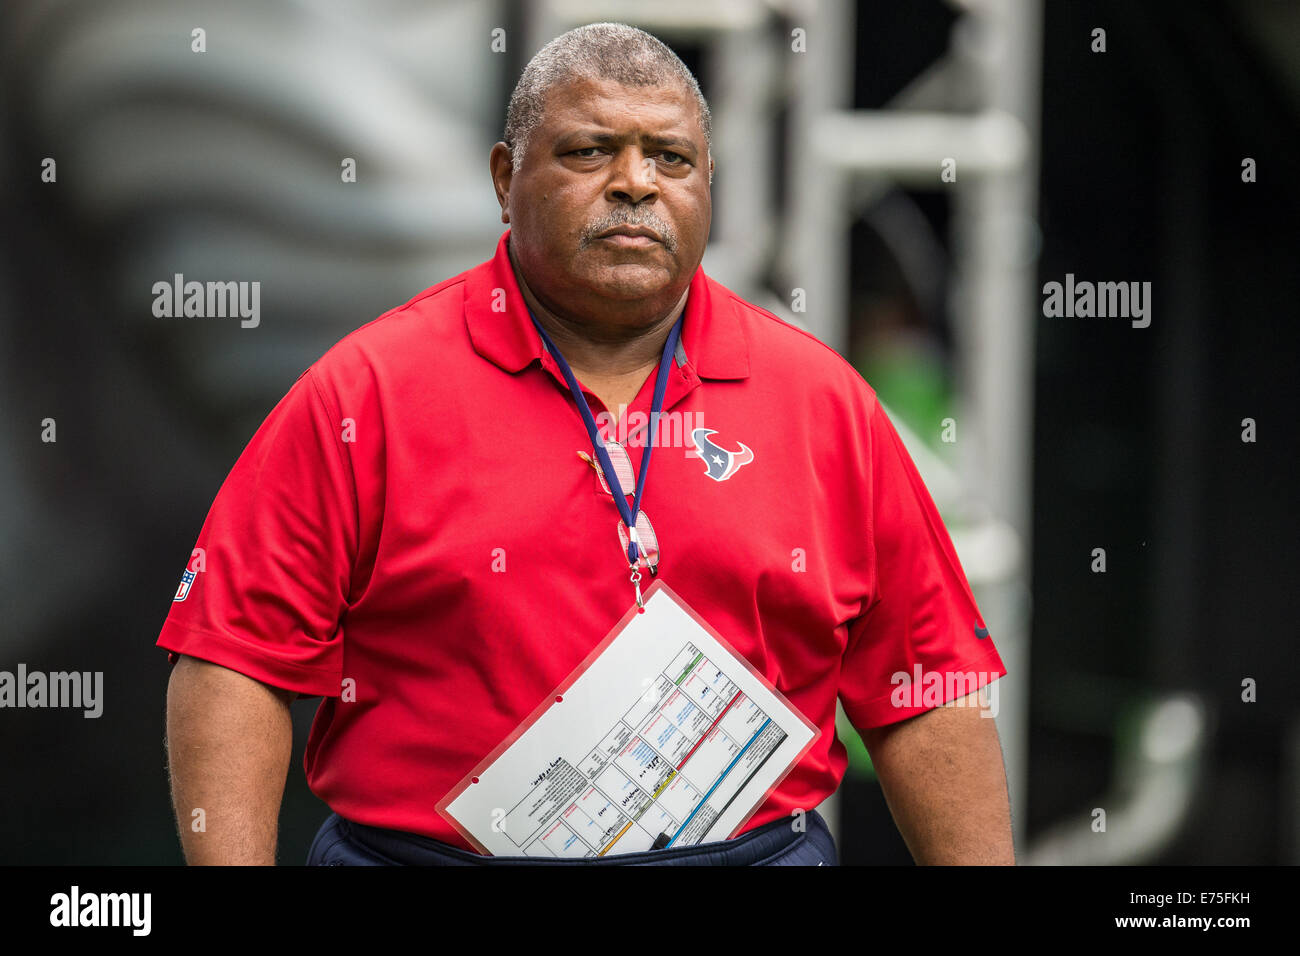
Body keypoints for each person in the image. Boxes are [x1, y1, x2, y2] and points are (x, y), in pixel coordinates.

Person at [158, 22, 1014, 866]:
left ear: (709, 184)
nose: (635, 183)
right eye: (589, 151)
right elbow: (231, 665)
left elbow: (926, 688)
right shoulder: (366, 394)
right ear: (505, 179)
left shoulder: (824, 405)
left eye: (671, 158)